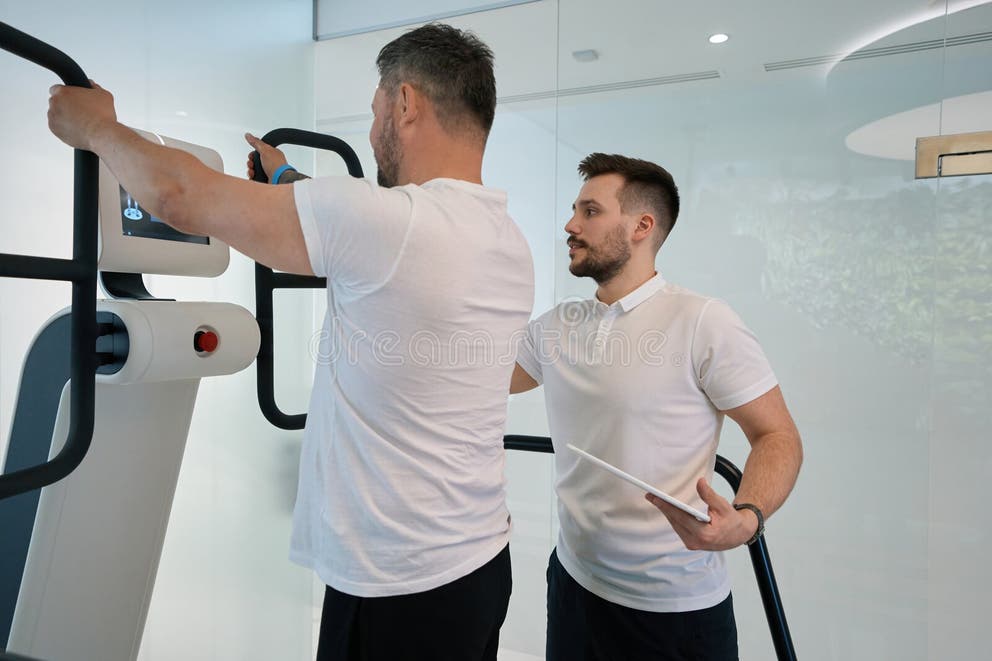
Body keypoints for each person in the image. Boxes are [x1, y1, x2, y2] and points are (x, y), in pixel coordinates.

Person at [48, 23, 534, 661]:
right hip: (476, 560)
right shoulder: (504, 238)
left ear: (407, 104)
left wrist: (95, 128)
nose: (372, 129)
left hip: (397, 583)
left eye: (376, 109)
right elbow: (354, 243)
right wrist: (285, 179)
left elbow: (177, 196)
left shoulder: (391, 222)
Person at [510, 153, 802, 660]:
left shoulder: (703, 321)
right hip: (574, 584)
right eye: (574, 210)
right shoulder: (558, 325)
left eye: (590, 211)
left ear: (642, 226)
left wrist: (746, 517)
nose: (571, 225)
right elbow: (481, 377)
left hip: (675, 612)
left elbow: (778, 437)